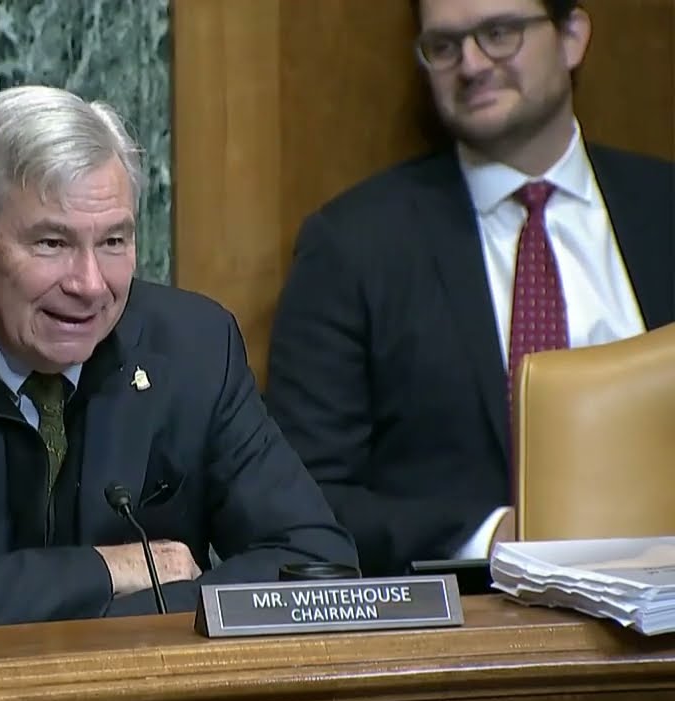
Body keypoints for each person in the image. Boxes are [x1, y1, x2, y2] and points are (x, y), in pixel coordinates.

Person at [0, 85, 357, 638]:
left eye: (113, 242)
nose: (89, 286)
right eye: (51, 244)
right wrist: (109, 572)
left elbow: (314, 565)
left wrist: (123, 617)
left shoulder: (194, 347)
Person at [265, 0, 674, 577]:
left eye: (500, 33)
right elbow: (300, 499)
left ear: (572, 36)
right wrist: (495, 537)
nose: (473, 64)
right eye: (445, 46)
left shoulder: (665, 210)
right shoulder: (354, 246)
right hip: (469, 631)